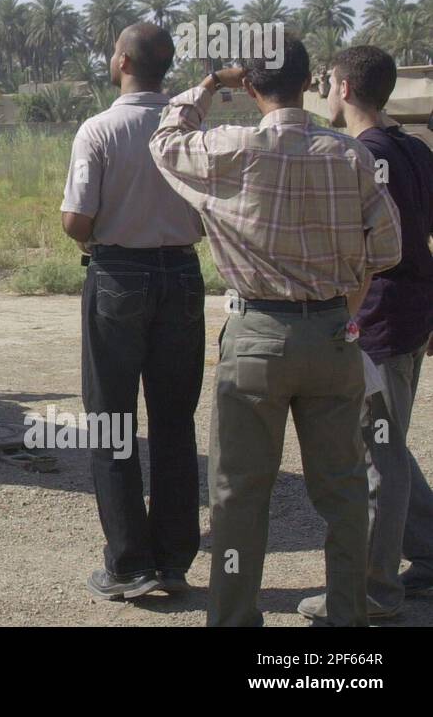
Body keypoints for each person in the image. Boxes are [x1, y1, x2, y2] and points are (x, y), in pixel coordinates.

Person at [149, 36, 402, 627]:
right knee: (343, 492)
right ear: (309, 83)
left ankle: (234, 616)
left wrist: (208, 84)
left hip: (256, 336)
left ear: (249, 86)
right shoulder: (350, 155)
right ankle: (348, 617)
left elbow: (164, 140)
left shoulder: (230, 148)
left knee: (239, 494)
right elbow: (388, 248)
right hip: (333, 336)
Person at [60, 22, 207, 601]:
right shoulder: (189, 129)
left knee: (112, 421)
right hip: (184, 277)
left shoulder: (99, 130)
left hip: (119, 276)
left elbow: (77, 219)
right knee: (174, 422)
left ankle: (128, 564)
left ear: (122, 61)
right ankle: (172, 562)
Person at [295, 45, 433, 622]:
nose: (325, 94)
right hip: (409, 318)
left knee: (377, 454)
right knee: (388, 440)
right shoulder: (415, 149)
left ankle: (374, 591)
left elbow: (358, 249)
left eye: (328, 84)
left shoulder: (360, 155)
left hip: (376, 321)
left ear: (345, 89)